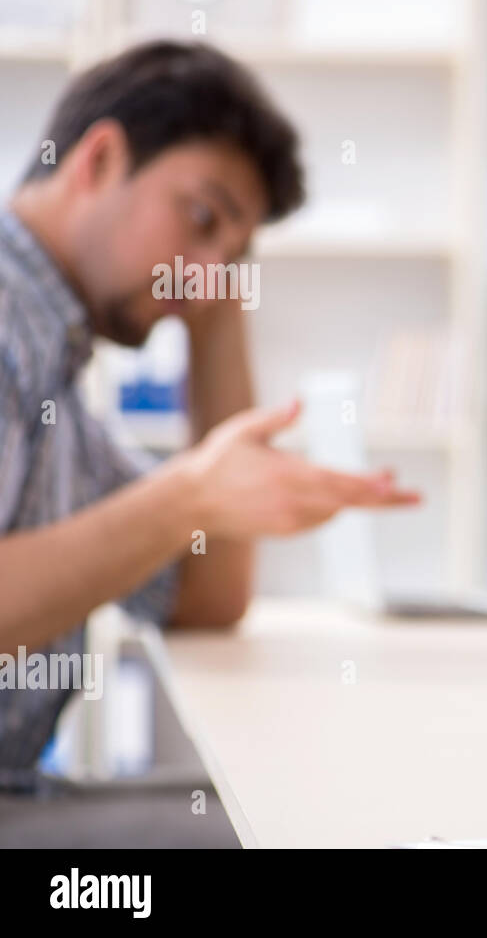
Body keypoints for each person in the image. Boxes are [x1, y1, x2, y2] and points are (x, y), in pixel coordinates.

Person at [0, 40, 420, 782]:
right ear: (97, 160)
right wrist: (190, 493)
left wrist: (217, 317)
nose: (205, 278)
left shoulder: (57, 366)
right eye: (200, 216)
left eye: (233, 258)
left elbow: (205, 595)